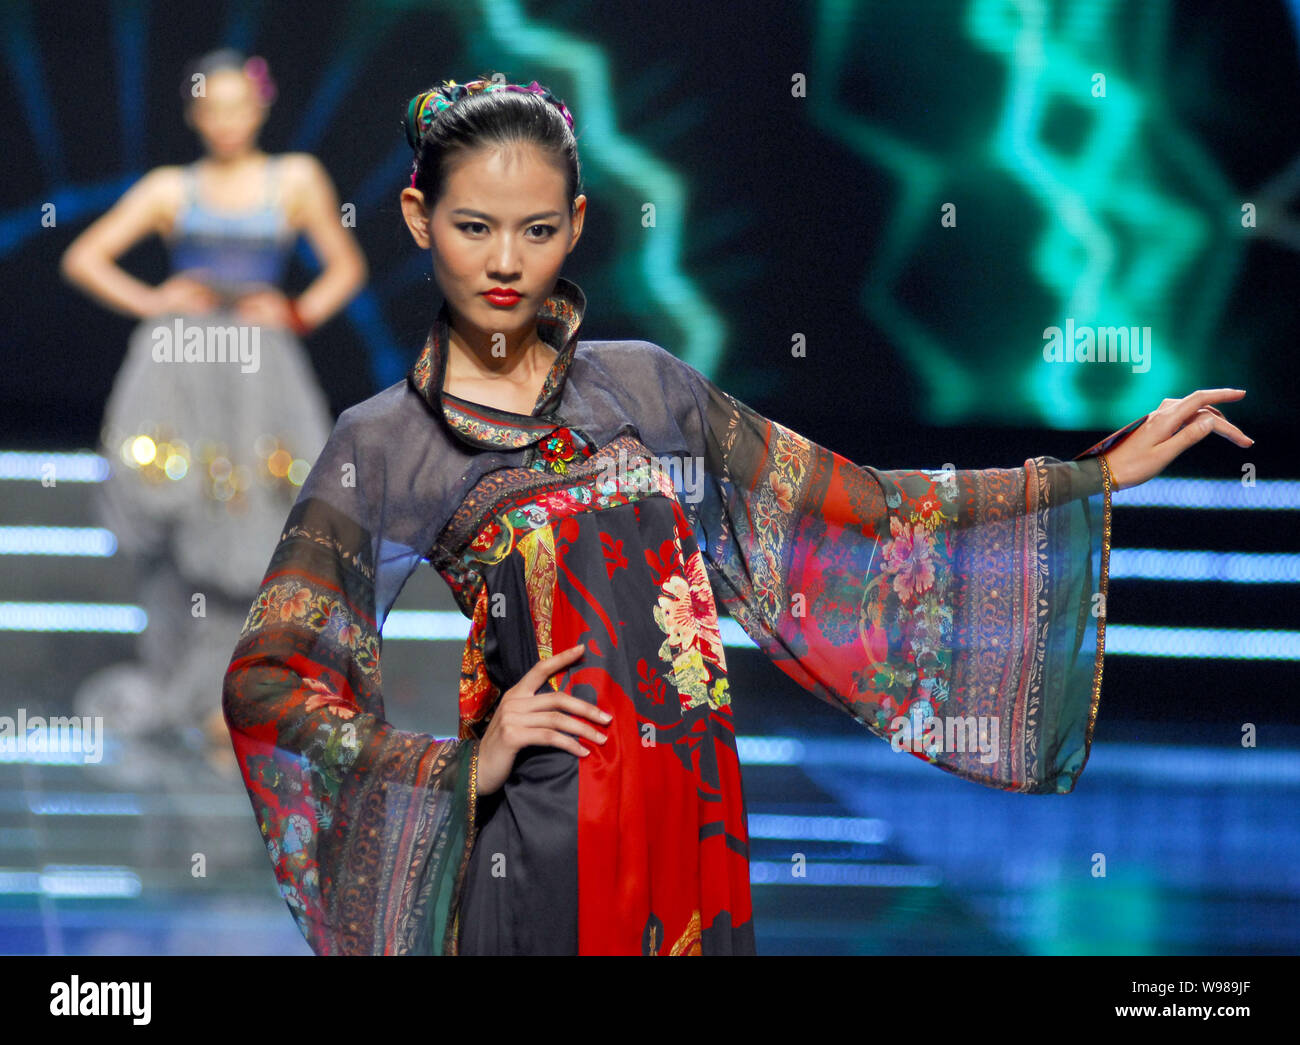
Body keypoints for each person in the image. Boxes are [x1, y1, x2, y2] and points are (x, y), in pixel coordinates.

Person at [220, 76, 1252, 955]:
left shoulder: (648, 390)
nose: (505, 262)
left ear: (576, 225)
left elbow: (865, 509)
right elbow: (271, 676)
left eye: (536, 229)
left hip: (691, 819)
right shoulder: (386, 440)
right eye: (472, 227)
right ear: (415, 219)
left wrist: (1097, 476)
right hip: (539, 837)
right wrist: (464, 763)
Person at [60, 50, 367, 775]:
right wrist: (156, 299)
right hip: (182, 368)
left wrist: (296, 310)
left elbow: (344, 264)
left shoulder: (294, 178)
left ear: (258, 110)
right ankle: (193, 687)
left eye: (239, 106)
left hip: (263, 372)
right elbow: (85, 256)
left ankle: (245, 696)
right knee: (183, 512)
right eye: (213, 107)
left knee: (263, 516)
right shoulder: (174, 186)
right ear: (196, 115)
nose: (227, 121)